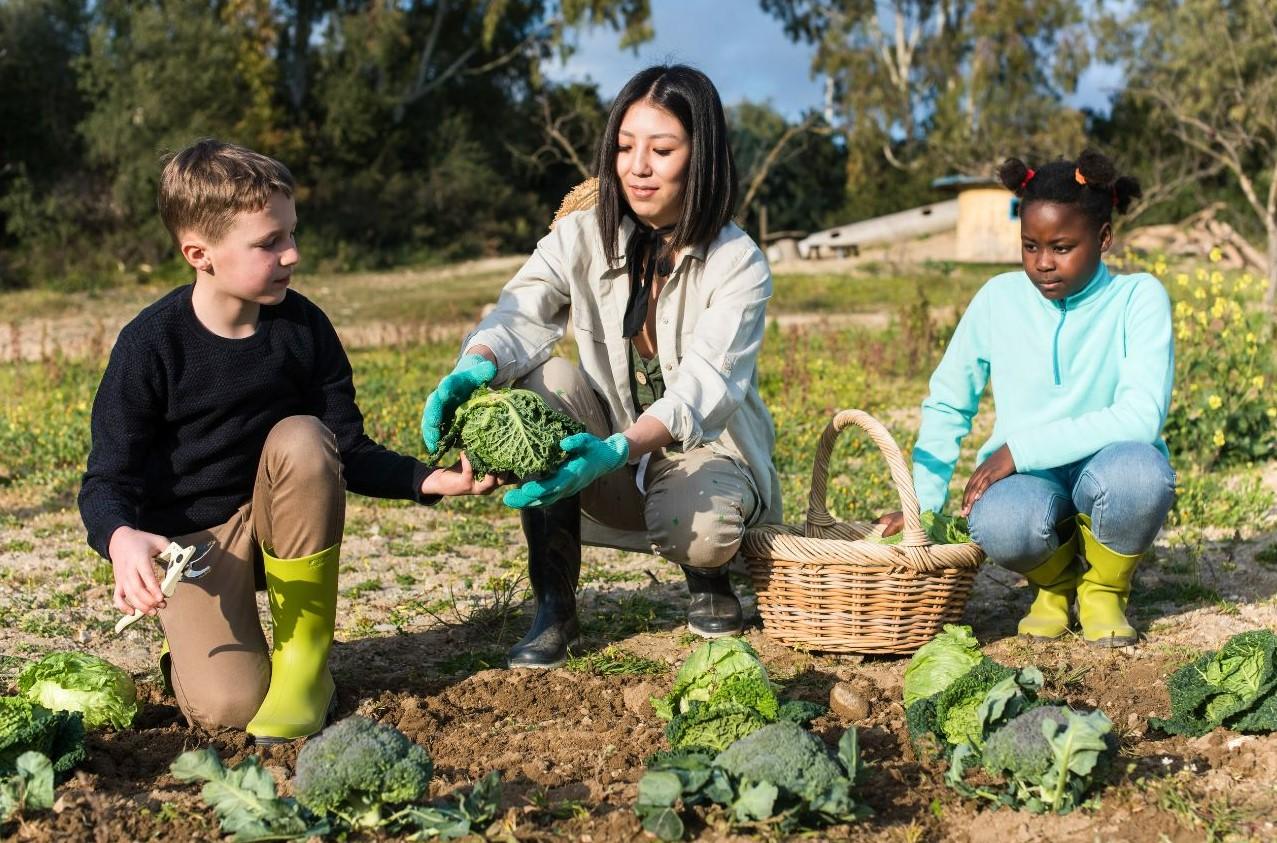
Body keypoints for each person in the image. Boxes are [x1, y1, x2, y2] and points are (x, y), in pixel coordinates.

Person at [78, 139, 496, 742]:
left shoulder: (304, 328)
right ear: (200, 253)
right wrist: (121, 539)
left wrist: (429, 479)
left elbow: (345, 449)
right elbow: (107, 478)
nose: (291, 253)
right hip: (196, 546)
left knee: (303, 436)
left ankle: (305, 665)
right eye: (269, 242)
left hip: (282, 520)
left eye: (291, 233)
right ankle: (197, 663)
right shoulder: (150, 344)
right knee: (231, 708)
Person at [420, 64, 781, 668]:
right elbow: (520, 308)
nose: (637, 166)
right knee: (545, 382)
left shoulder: (738, 262)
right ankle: (555, 605)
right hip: (607, 461)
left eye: (661, 150)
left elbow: (703, 389)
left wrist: (617, 449)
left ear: (702, 157)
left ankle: (706, 576)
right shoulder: (580, 235)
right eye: (624, 147)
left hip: (703, 457)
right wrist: (477, 362)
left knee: (704, 530)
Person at [878, 149, 1175, 647]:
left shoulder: (1138, 298)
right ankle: (1055, 587)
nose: (1042, 263)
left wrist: (1020, 450)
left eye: (1062, 247)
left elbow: (1141, 416)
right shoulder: (999, 299)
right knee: (998, 519)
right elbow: (949, 403)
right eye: (1030, 246)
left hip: (1107, 466)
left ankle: (1104, 589)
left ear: (1103, 238)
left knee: (1142, 475)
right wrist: (921, 510)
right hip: (1031, 483)